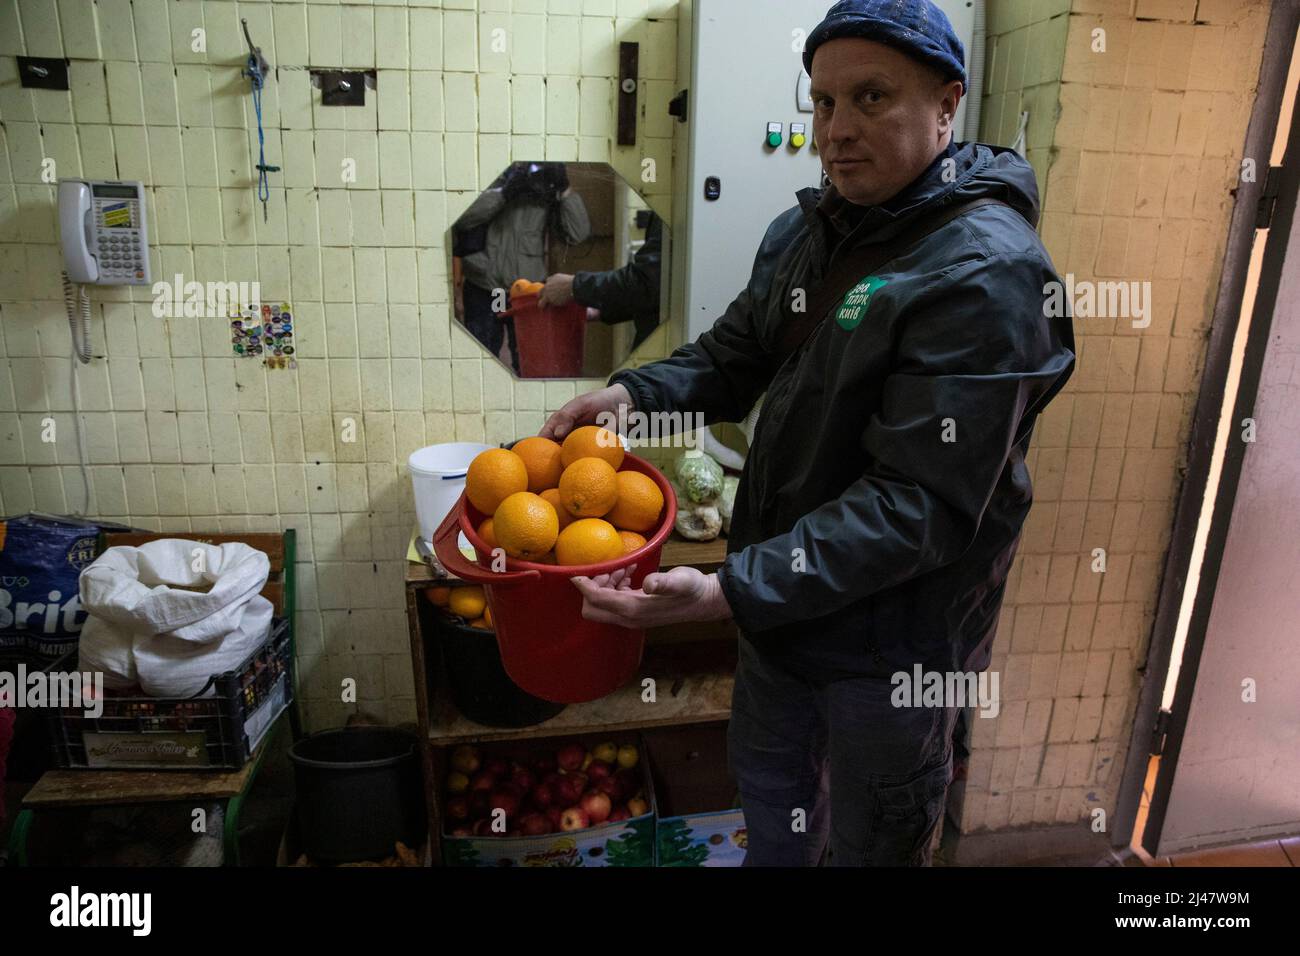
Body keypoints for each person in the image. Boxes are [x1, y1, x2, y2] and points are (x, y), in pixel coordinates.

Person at [541, 0, 1076, 866]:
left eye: (871, 98)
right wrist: (636, 396)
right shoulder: (808, 230)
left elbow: (918, 505)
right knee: (778, 824)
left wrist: (732, 590)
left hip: (890, 654)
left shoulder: (988, 276)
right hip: (783, 622)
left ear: (948, 103)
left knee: (872, 847)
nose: (837, 129)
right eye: (823, 102)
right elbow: (736, 354)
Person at [454, 162, 591, 373]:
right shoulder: (483, 169)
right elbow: (461, 218)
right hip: (485, 285)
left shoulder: (547, 181)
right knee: (479, 363)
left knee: (530, 362)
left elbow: (577, 234)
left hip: (527, 290)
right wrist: (505, 193)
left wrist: (564, 190)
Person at [537, 210, 664, 352]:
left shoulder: (676, 209)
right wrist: (599, 311)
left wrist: (573, 286)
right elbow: (658, 294)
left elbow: (647, 283)